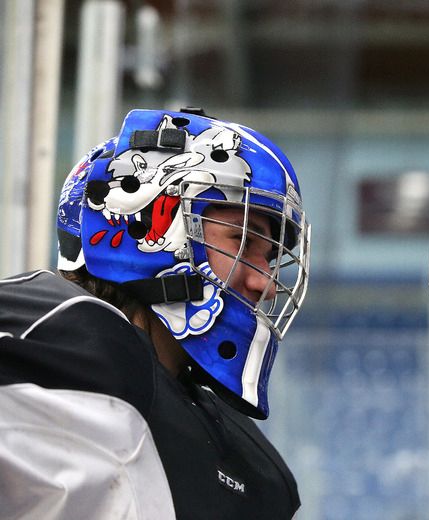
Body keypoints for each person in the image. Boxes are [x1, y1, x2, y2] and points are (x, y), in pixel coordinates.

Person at [0, 108, 310, 519]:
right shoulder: (65, 336)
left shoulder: (258, 467)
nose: (266, 283)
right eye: (242, 240)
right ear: (148, 228)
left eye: (270, 257)